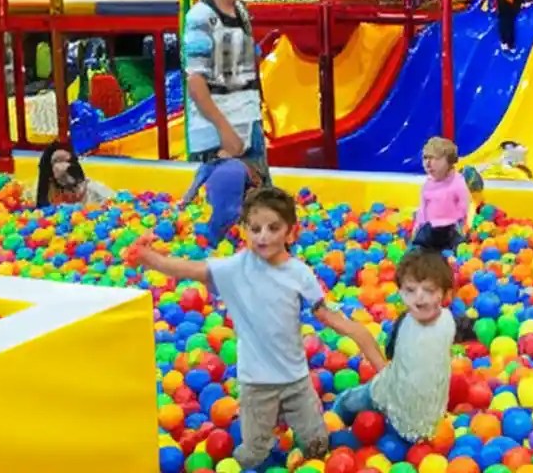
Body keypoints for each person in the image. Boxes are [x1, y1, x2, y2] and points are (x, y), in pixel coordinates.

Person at [130, 187, 385, 470]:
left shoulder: (299, 273)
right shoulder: (236, 268)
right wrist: (148, 257)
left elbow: (334, 319)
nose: (263, 236)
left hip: (296, 379)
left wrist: (382, 368)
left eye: (273, 228)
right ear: (244, 231)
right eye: (255, 228)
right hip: (256, 382)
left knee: (317, 444)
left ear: (291, 232)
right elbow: (190, 269)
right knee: (253, 453)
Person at [332, 250, 474, 441]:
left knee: (350, 404)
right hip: (394, 395)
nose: (419, 298)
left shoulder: (448, 322)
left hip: (420, 417)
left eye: (429, 290)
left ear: (446, 294)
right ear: (400, 293)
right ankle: (331, 426)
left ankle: (335, 424)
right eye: (410, 290)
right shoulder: (416, 322)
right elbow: (391, 354)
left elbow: (472, 329)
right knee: (350, 402)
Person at [183, 0, 270, 188]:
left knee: (260, 207)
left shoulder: (241, 11)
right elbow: (195, 81)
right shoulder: (200, 17)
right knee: (223, 205)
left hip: (248, 125)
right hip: (217, 135)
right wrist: (224, 130)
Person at [180, 157, 263, 245]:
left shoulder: (221, 163)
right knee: (226, 223)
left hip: (213, 187)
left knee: (215, 218)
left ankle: (209, 242)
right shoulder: (241, 172)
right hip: (230, 188)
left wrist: (186, 200)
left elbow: (200, 177)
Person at [412, 137, 472, 252]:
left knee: (459, 248)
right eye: (425, 158)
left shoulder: (457, 182)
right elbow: (423, 209)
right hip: (430, 228)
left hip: (450, 228)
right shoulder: (428, 184)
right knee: (418, 248)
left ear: (449, 161)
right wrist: (417, 227)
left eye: (435, 159)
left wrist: (463, 225)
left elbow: (464, 206)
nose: (428, 164)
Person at [33, 141, 114, 207]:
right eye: (57, 161)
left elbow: (115, 202)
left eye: (68, 161)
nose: (64, 166)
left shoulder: (95, 190)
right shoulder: (41, 191)